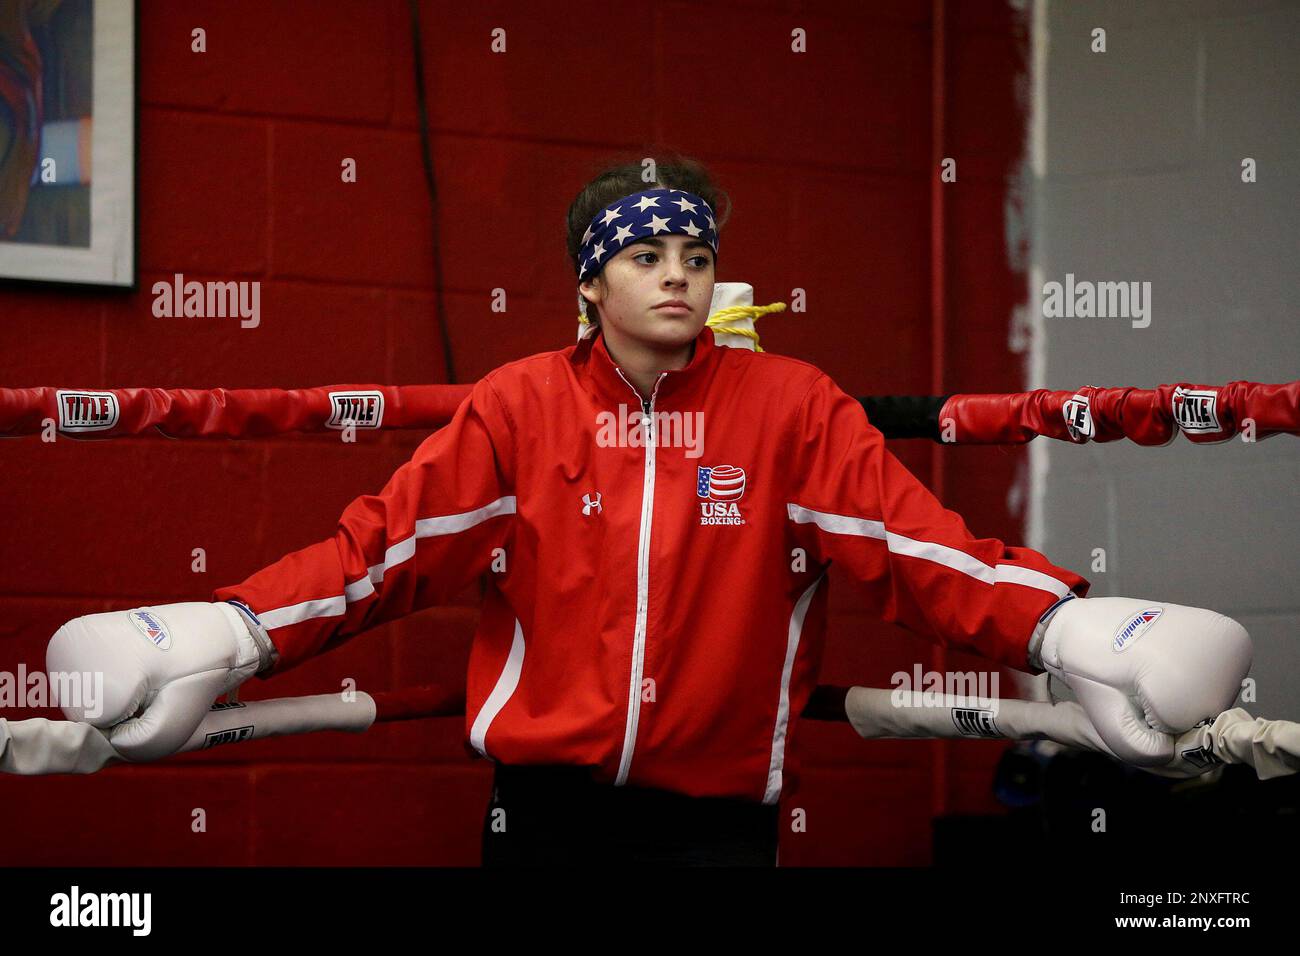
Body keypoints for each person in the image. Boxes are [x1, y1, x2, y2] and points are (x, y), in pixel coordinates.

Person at [44, 155, 1248, 866]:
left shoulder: (790, 406)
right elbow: (382, 552)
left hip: (717, 825)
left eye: (695, 254)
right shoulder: (520, 405)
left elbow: (914, 547)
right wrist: (226, 628)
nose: (678, 274)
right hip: (547, 817)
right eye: (646, 255)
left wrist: (1069, 624)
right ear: (589, 281)